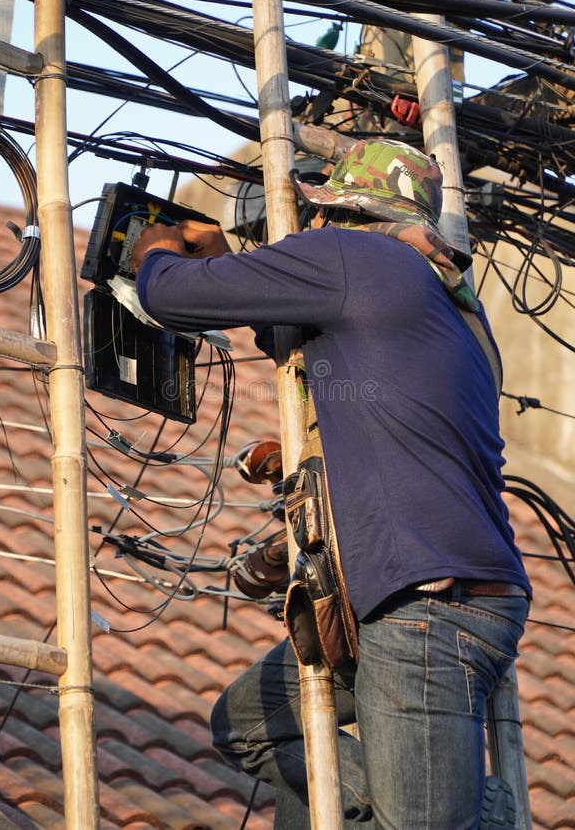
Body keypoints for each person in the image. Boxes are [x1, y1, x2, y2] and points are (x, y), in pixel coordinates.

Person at [132, 139, 531, 829]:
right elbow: (284, 322)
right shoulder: (446, 301)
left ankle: (477, 816)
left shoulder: (355, 257)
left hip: (429, 610)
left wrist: (156, 250)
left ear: (349, 214)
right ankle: (447, 804)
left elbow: (169, 296)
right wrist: (233, 261)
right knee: (252, 721)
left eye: (322, 214)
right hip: (428, 601)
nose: (310, 231)